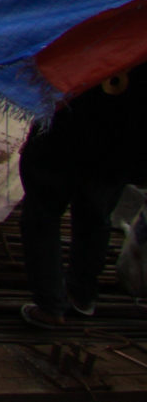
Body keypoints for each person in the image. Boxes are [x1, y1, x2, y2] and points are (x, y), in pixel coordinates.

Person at [17, 64, 147, 328]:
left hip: (68, 130)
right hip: (123, 141)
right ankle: (81, 295)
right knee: (96, 214)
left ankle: (51, 305)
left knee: (42, 214)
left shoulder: (105, 24)